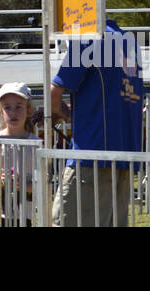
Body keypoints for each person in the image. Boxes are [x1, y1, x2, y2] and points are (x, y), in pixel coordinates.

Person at [50, 18, 144, 227]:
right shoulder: (130, 41)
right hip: (124, 157)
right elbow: (117, 94)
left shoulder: (88, 36)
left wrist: (60, 112)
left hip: (90, 156)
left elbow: (54, 94)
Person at [0, 82, 38, 226]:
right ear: (1, 111)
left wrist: (23, 185)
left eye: (19, 107)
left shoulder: (36, 144)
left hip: (23, 212)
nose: (13, 113)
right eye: (7, 107)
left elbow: (45, 182)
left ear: (29, 110)